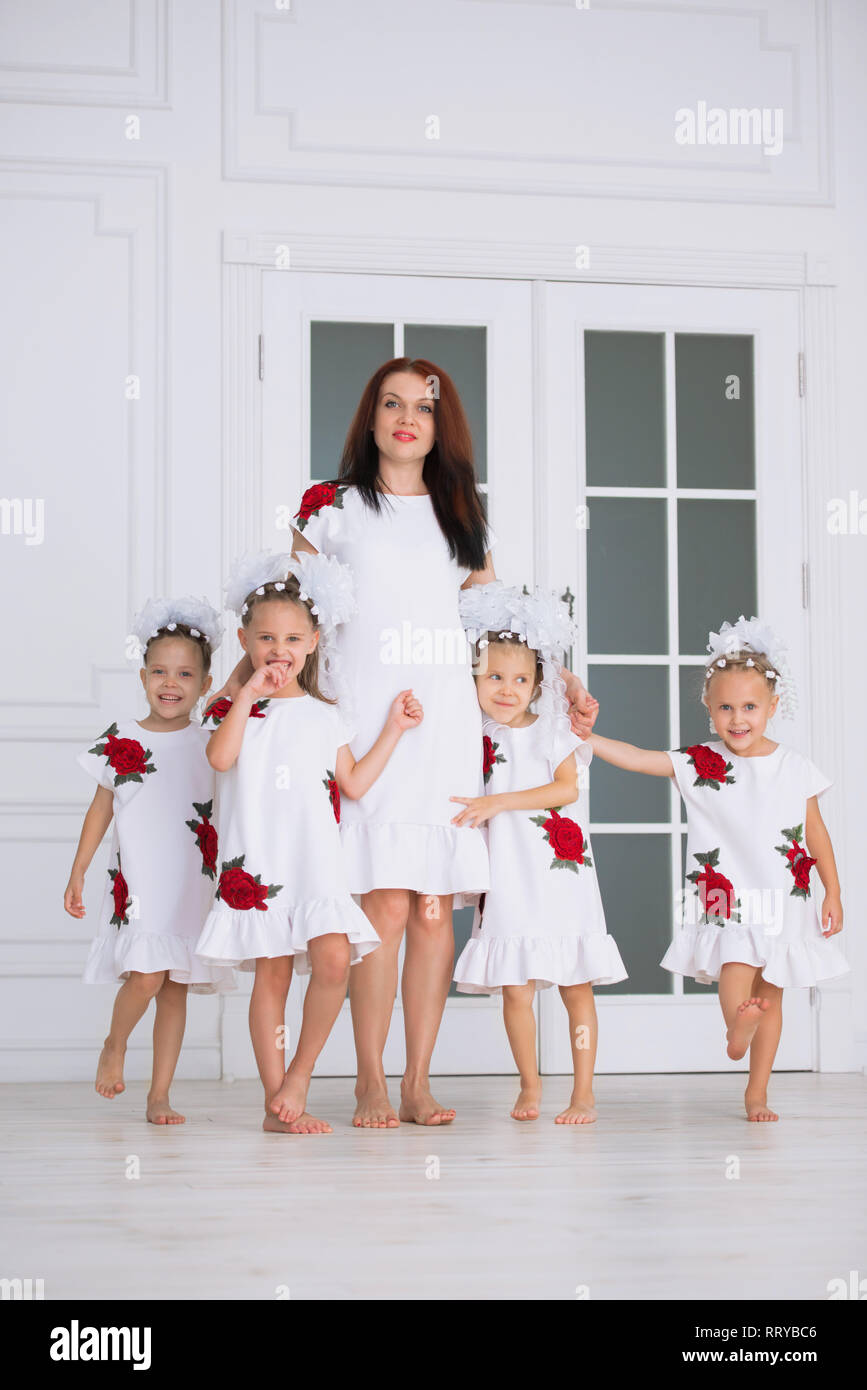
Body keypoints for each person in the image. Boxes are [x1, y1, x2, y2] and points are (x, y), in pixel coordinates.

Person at [214, 357, 598, 1127]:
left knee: (429, 908)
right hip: (364, 720)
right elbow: (286, 613)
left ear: (439, 425)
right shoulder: (330, 508)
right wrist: (234, 690)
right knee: (382, 902)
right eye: (390, 403)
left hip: (444, 724)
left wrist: (564, 681)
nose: (405, 418)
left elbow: (501, 620)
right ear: (369, 415)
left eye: (422, 408)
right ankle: (369, 1081)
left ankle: (417, 1080)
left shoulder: (461, 514)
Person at [195, 550, 422, 1133]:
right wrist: (244, 695)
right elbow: (219, 757)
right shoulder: (231, 708)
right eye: (266, 637)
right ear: (245, 640)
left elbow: (354, 783)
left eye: (293, 638)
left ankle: (299, 1076)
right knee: (271, 975)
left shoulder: (327, 714)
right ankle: (276, 1104)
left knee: (334, 960)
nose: (280, 649)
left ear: (315, 641)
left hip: (316, 862)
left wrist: (393, 731)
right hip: (261, 860)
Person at [588, 615, 848, 1122]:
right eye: (725, 707)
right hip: (721, 891)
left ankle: (757, 1091)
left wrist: (832, 891)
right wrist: (590, 741)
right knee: (735, 966)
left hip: (783, 892)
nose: (737, 718)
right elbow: (641, 758)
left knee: (771, 993)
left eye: (749, 707)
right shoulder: (701, 761)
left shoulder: (795, 767)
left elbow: (815, 833)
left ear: (773, 707)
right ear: (709, 709)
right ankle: (736, 1032)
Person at [450, 582, 626, 1123]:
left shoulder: (553, 730)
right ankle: (529, 1086)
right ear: (475, 678)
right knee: (515, 988)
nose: (507, 689)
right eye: (494, 676)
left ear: (537, 684)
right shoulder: (469, 731)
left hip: (558, 875)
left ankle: (583, 1091)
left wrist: (500, 802)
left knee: (575, 983)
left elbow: (565, 790)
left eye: (521, 679)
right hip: (507, 874)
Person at [64, 597, 232, 1124]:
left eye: (185, 673)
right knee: (145, 976)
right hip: (140, 879)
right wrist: (79, 870)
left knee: (175, 986)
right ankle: (116, 1043)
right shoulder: (122, 738)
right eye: (159, 671)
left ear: (205, 684)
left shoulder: (211, 740)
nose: (170, 682)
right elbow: (100, 809)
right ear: (142, 676)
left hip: (191, 880)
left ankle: (159, 1093)